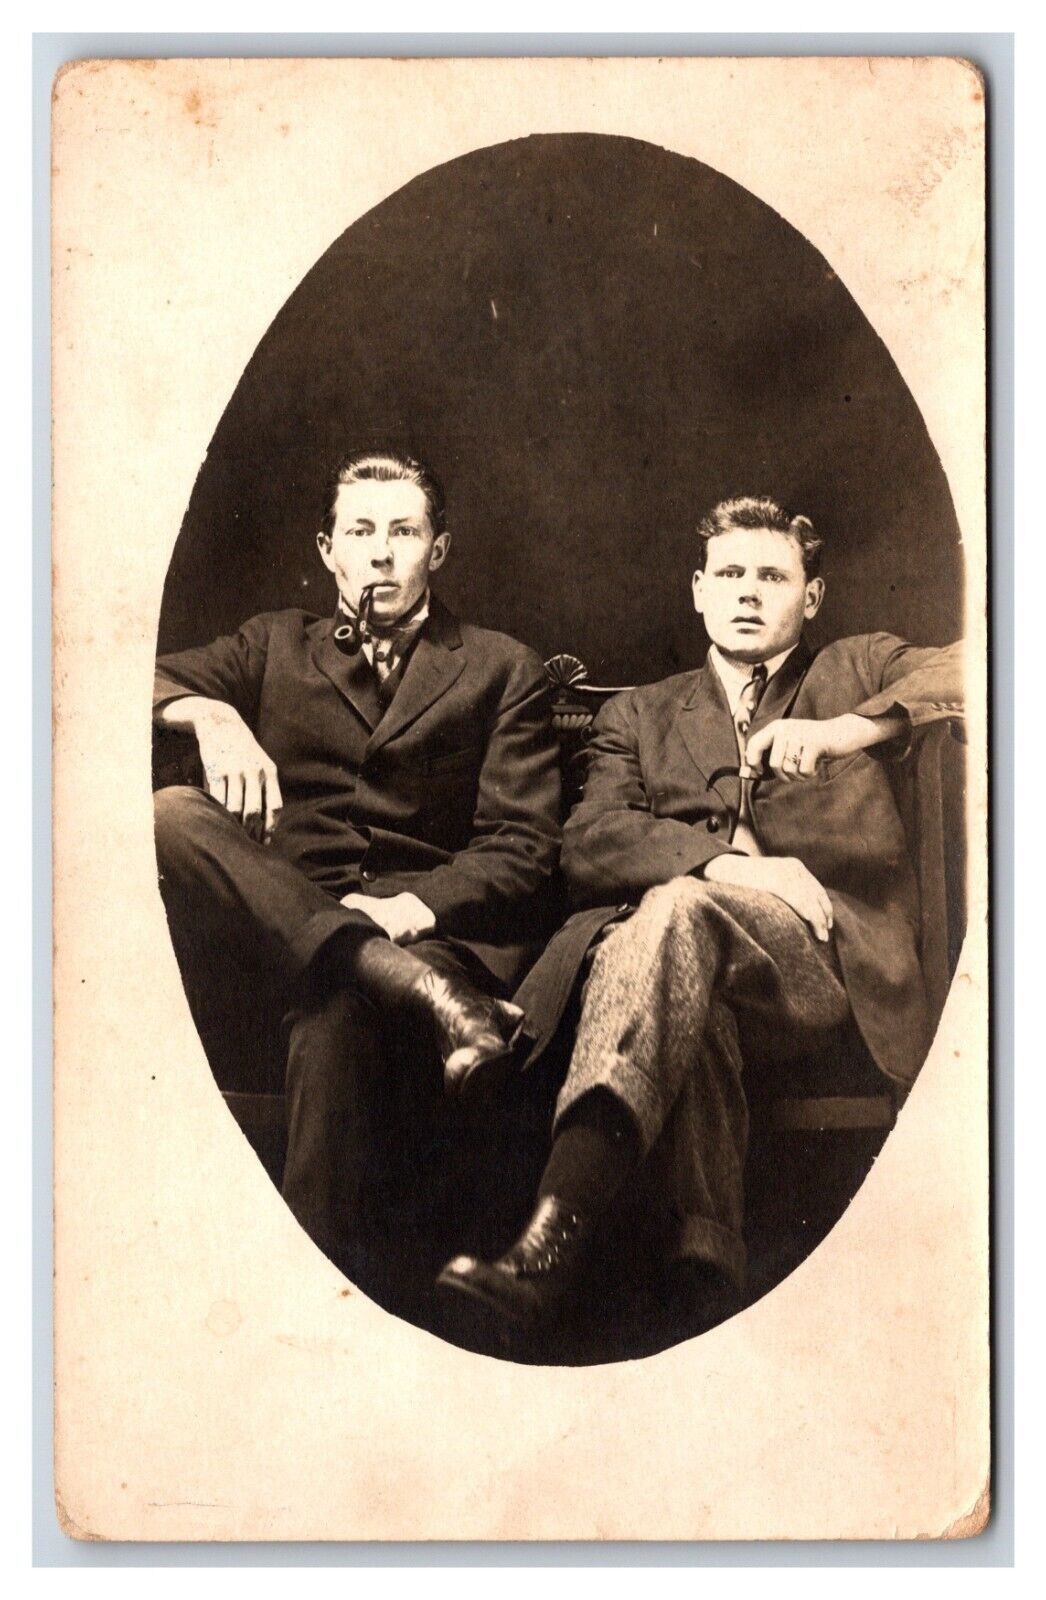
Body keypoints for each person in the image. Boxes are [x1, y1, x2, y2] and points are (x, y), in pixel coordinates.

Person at [438, 494, 963, 1334]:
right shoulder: (638, 714)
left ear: (812, 598)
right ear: (698, 591)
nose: (748, 592)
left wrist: (845, 733)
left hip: (823, 968)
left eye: (771, 575)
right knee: (684, 937)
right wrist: (728, 866)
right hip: (682, 974)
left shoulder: (857, 667)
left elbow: (990, 654)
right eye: (730, 574)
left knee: (671, 914)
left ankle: (551, 1231)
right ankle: (704, 1272)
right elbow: (592, 840)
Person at [153, 450, 561, 1279]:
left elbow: (524, 846)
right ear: (326, 549)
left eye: (404, 531)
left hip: (423, 935)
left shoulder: (500, 666)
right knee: (165, 813)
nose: (381, 551)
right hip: (272, 933)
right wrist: (209, 716)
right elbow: (98, 676)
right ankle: (420, 995)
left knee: (339, 1007)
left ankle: (311, 1305)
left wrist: (409, 912)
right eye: (361, 530)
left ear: (437, 551)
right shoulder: (270, 644)